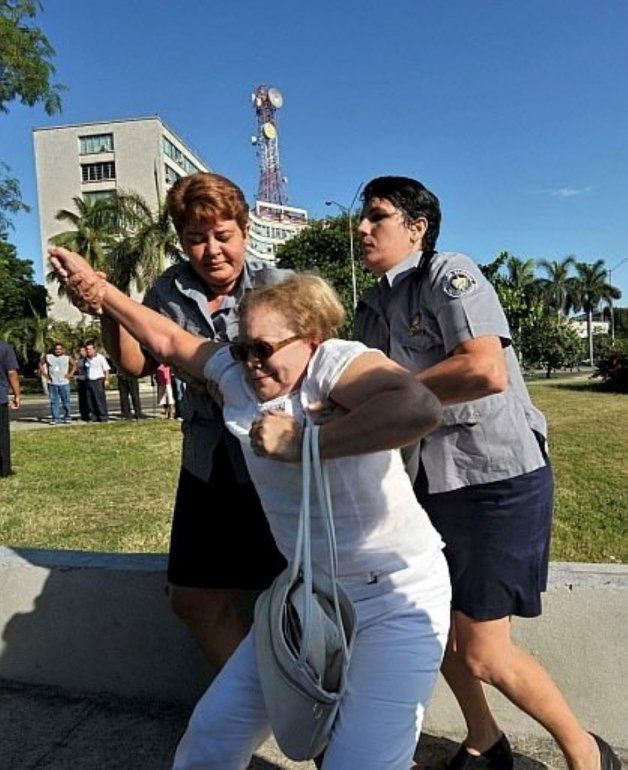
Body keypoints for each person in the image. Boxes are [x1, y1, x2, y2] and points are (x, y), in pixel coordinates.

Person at [50, 249, 452, 770]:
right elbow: (168, 339)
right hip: (308, 595)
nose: (251, 362)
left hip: (396, 595)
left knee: (359, 763)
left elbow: (419, 405)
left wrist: (305, 440)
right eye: (242, 348)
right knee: (211, 738)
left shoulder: (334, 364)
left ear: (311, 338)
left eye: (264, 348)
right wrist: (103, 293)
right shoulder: (236, 375)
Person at [352, 176, 619, 770]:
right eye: (361, 219)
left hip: (494, 481)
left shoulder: (449, 274)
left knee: (483, 653)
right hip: (427, 487)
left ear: (416, 229)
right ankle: (485, 739)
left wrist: (391, 392)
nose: (363, 229)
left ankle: (588, 753)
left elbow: (484, 369)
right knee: (432, 625)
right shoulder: (372, 307)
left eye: (378, 217)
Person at [53, 172, 290, 671]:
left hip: (272, 460)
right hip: (206, 458)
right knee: (191, 598)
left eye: (223, 235)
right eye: (196, 238)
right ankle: (250, 698)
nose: (212, 251)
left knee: (291, 592)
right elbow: (135, 364)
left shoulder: (278, 287)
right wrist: (106, 309)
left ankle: (303, 706)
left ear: (245, 231)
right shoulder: (168, 289)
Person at [0, 340, 20, 477]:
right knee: (2, 435)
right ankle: (3, 468)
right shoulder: (5, 348)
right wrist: (17, 394)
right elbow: (12, 372)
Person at [43, 342, 75, 425]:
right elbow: (40, 364)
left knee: (66, 401)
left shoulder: (67, 358)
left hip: (64, 383)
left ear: (63, 350)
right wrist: (45, 374)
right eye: (56, 349)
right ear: (54, 350)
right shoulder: (48, 357)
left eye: (60, 349)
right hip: (52, 383)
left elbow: (74, 365)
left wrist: (70, 374)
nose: (58, 351)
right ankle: (56, 418)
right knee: (54, 401)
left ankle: (67, 417)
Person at [84, 340, 110, 422]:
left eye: (90, 349)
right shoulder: (86, 359)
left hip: (98, 381)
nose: (88, 351)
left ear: (94, 349)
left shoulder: (100, 357)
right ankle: (94, 416)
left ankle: (103, 416)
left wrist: (107, 379)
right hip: (89, 381)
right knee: (90, 400)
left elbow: (106, 369)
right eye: (87, 349)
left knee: (99, 399)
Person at [74, 345, 91, 422]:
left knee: (89, 398)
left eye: (83, 351)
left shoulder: (89, 359)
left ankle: (91, 414)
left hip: (88, 380)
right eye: (80, 351)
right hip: (81, 381)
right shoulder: (79, 360)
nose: (81, 352)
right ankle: (83, 415)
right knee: (82, 399)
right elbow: (76, 370)